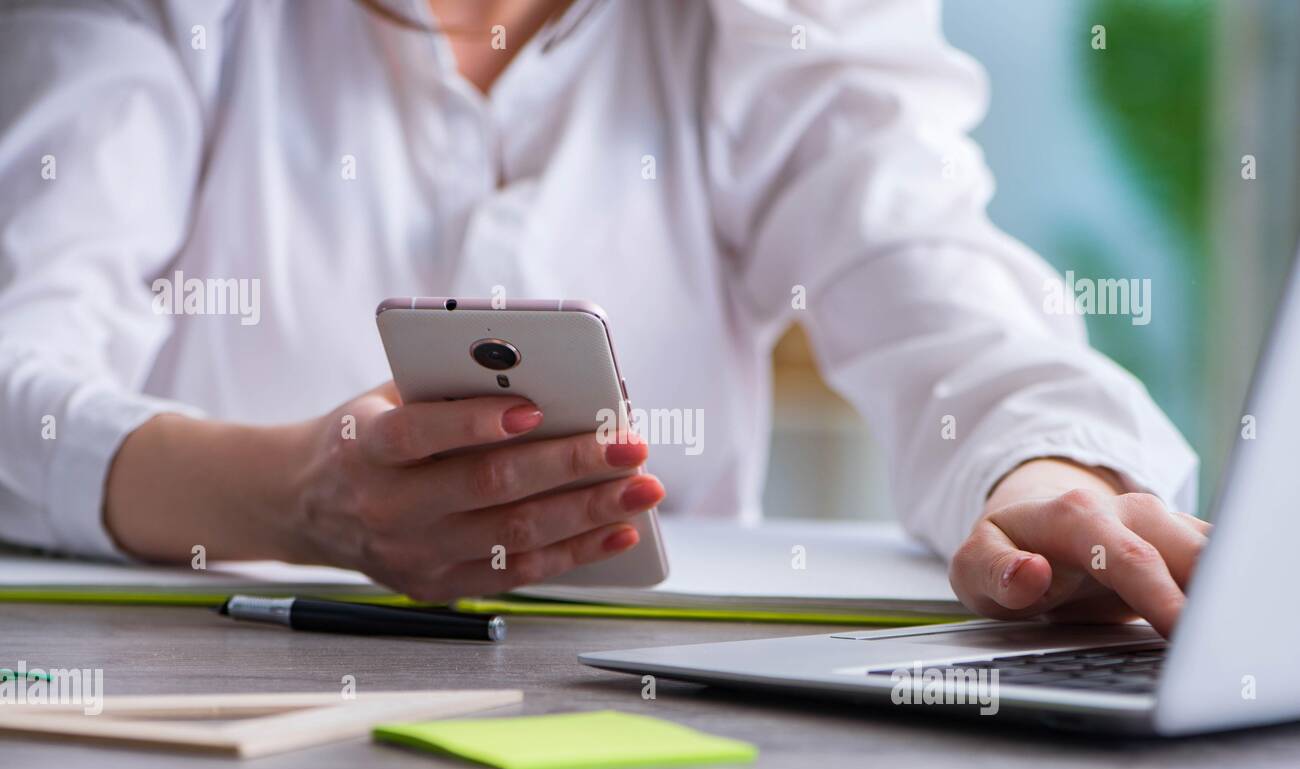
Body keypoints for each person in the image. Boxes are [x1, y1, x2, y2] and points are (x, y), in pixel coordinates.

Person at [0, 0, 1204, 634]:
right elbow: (18, 377)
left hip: (652, 739)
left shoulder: (775, 21)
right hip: (215, 713)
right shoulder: (153, 16)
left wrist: (1049, 474)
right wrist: (292, 493)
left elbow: (941, 292)